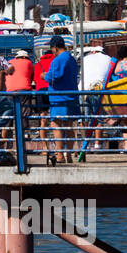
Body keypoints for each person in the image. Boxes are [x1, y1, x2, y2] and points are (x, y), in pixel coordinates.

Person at [44, 35, 79, 164]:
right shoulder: (72, 59)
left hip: (59, 99)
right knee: (70, 127)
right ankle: (68, 154)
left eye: (51, 48)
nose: (51, 51)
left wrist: (44, 76)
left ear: (55, 47)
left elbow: (53, 77)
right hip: (72, 97)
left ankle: (59, 155)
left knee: (56, 125)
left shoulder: (58, 60)